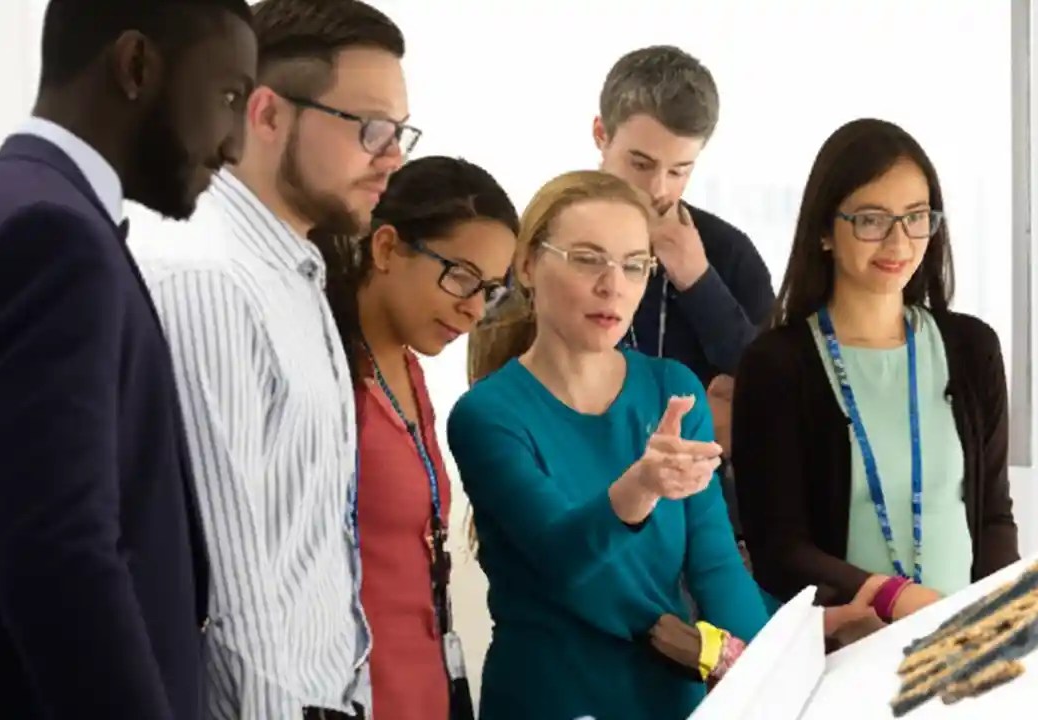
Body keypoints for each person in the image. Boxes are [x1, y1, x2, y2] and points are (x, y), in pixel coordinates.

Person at [0, 1, 256, 718]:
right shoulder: (53, 241)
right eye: (229, 96)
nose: (234, 144)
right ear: (136, 65)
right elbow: (61, 563)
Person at [132, 1, 414, 717]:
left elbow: (313, 542)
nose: (395, 156)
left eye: (401, 131)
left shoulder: (297, 270)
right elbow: (235, 595)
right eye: (372, 129)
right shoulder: (210, 276)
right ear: (265, 114)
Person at [453, 170, 769, 720]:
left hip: (670, 702)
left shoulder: (672, 389)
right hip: (550, 699)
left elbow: (716, 567)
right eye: (586, 258)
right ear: (527, 264)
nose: (613, 285)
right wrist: (639, 487)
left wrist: (776, 673)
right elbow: (564, 561)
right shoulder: (487, 415)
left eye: (633, 264)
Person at [731, 118, 1019, 626]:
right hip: (845, 643)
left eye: (916, 217)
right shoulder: (777, 364)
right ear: (825, 230)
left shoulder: (972, 348)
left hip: (960, 647)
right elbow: (778, 547)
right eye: (871, 219)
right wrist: (887, 595)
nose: (899, 242)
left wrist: (997, 616)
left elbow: (993, 516)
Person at [317, 156, 519, 720]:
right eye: (460, 275)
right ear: (385, 249)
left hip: (425, 686)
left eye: (491, 290)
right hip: (348, 695)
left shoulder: (411, 371)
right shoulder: (328, 380)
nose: (474, 308)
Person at [586, 45, 775, 547]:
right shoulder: (547, 242)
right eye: (641, 163)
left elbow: (775, 395)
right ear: (600, 135)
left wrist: (698, 279)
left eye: (679, 170)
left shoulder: (728, 254)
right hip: (582, 513)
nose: (658, 188)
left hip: (704, 532)